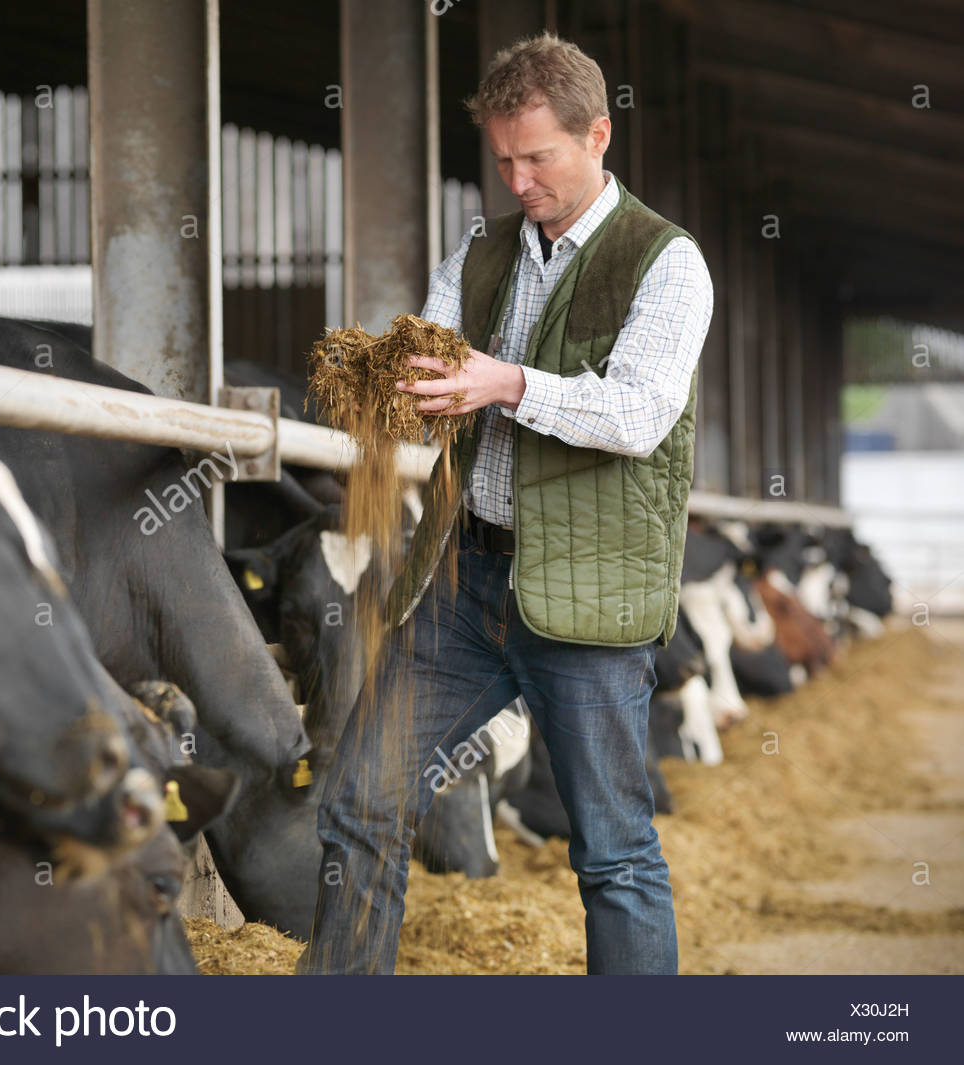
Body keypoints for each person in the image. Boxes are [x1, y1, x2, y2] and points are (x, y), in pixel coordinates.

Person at [298, 32, 714, 975]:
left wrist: (510, 384)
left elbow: (642, 414)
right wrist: (401, 379)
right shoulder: (481, 252)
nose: (517, 179)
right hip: (464, 576)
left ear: (598, 134)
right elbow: (445, 361)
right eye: (503, 161)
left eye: (538, 157)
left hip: (587, 593)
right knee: (362, 796)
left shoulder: (667, 262)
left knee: (610, 850)